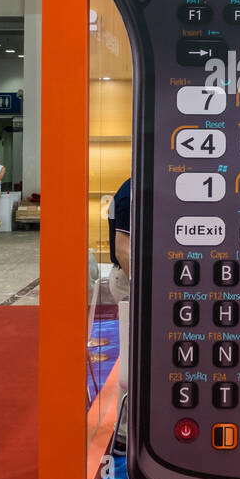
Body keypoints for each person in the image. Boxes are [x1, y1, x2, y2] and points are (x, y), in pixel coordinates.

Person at [108, 177, 131, 454]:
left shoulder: (133, 187)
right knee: (132, 356)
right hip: (128, 280)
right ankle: (124, 434)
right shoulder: (131, 191)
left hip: (128, 278)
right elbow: (122, 247)